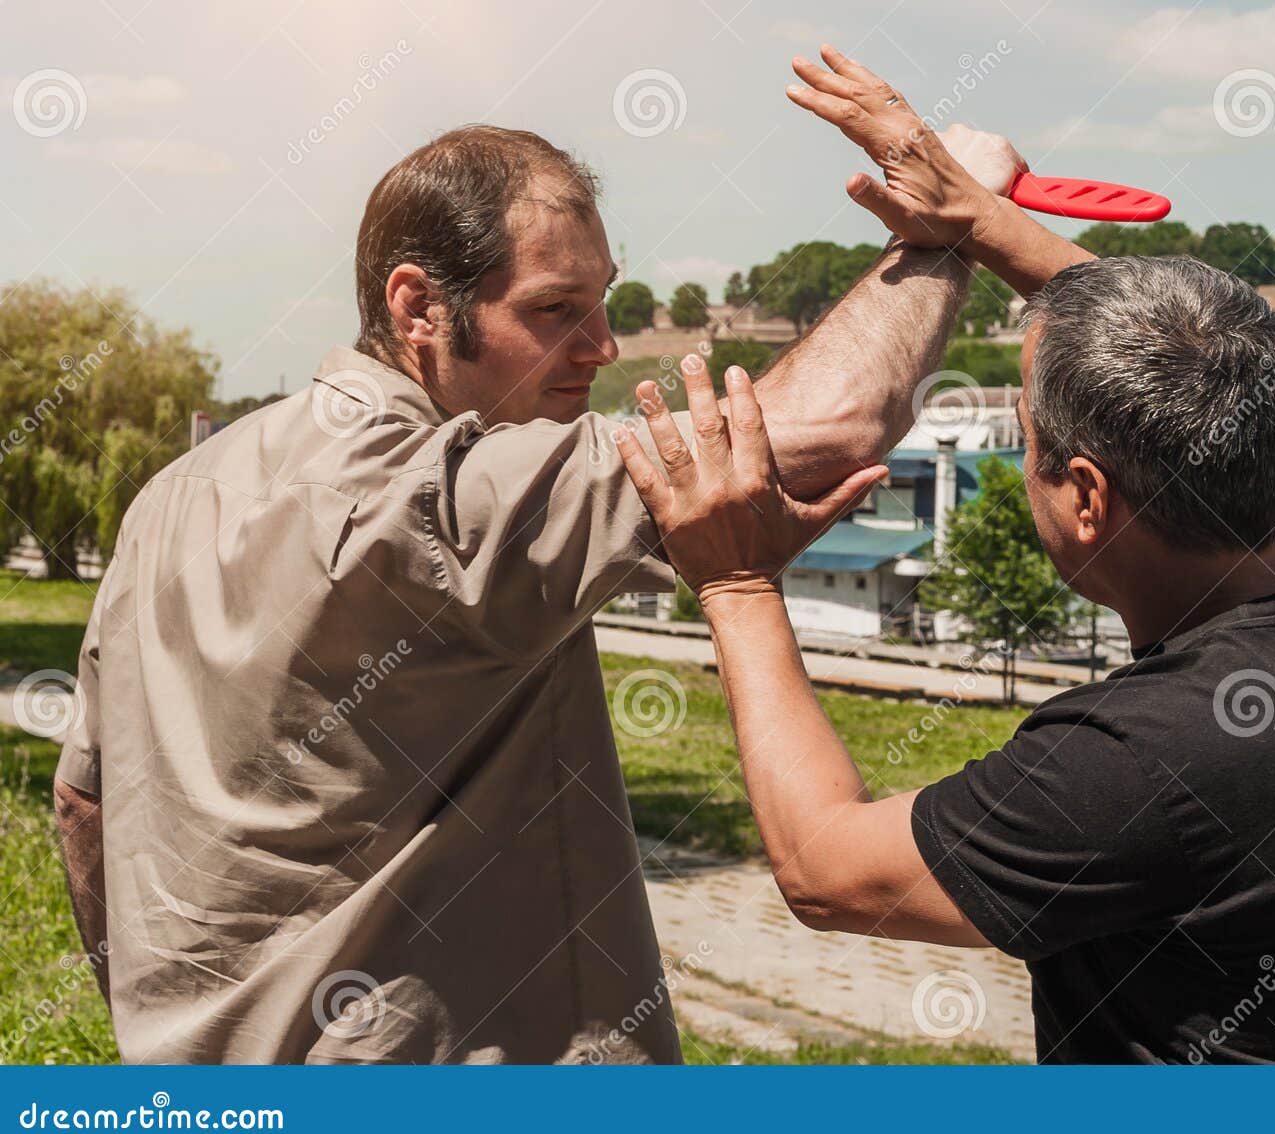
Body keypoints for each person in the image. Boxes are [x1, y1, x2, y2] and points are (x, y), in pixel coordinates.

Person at [51, 48, 1024, 1063]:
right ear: (417, 308)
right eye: (556, 311)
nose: (603, 346)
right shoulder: (451, 497)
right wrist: (947, 228)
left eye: (604, 301)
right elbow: (832, 421)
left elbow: (84, 805)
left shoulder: (174, 495)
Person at [621, 55, 1275, 1064]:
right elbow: (1184, 360)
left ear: (1086, 496)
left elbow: (825, 869)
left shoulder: (1144, 760)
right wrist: (973, 214)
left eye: (1024, 439)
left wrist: (735, 582)